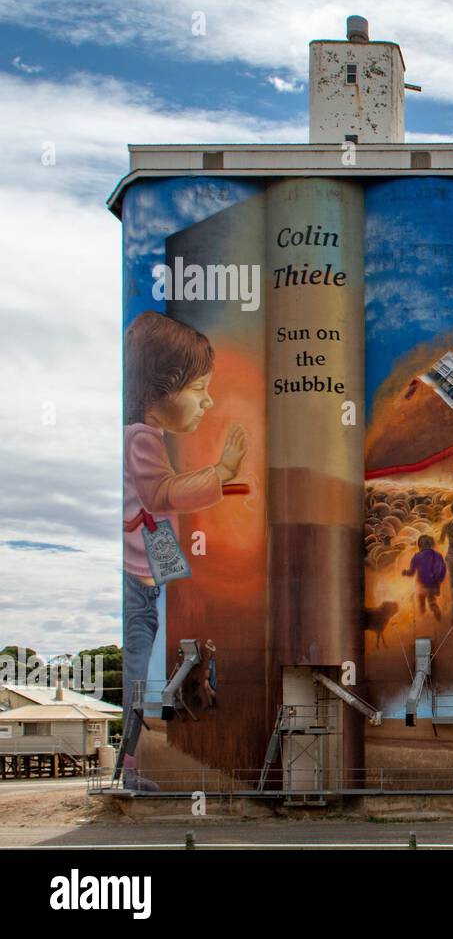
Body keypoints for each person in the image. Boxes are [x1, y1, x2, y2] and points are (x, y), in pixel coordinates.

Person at [121, 311, 247, 787]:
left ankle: (192, 693)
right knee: (138, 667)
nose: (207, 400)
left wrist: (182, 585)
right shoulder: (140, 439)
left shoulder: (150, 437)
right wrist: (220, 474)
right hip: (139, 581)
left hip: (152, 565)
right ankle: (131, 766)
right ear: (160, 390)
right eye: (198, 389)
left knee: (179, 638)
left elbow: (157, 524)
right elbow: (159, 496)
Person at [402, 534, 446, 620]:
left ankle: (423, 621)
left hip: (421, 584)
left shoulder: (416, 556)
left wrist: (405, 573)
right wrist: (438, 581)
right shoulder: (438, 555)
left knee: (421, 604)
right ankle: (438, 618)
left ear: (420, 545)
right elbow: (443, 570)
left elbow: (412, 573)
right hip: (434, 585)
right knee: (432, 602)